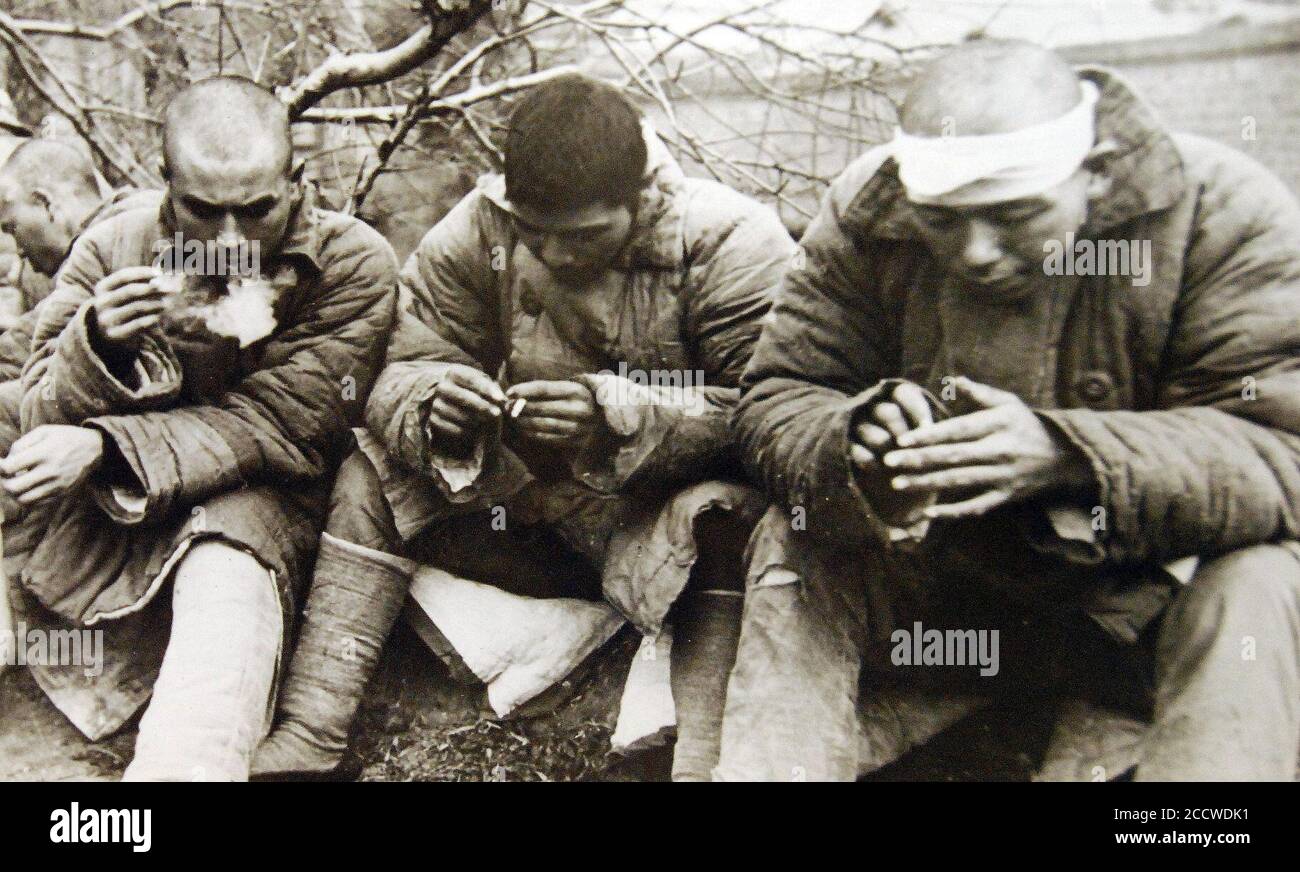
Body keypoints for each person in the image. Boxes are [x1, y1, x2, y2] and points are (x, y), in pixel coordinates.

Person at [720, 39, 1300, 781]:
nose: (976, 251)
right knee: (793, 537)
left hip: (1137, 604)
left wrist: (1068, 455)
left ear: (1094, 171)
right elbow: (778, 390)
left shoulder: (1217, 210)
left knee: (1259, 580)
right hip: (951, 593)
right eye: (942, 221)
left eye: (1014, 215)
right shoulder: (875, 208)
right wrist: (853, 445)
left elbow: (1281, 448)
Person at [253, 74, 794, 781]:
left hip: (660, 533)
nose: (557, 256)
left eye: (584, 236)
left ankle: (701, 764)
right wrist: (436, 404)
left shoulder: (729, 243)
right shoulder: (484, 226)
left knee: (722, 518)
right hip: (532, 517)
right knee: (371, 478)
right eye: (536, 234)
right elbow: (401, 357)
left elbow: (772, 413)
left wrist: (620, 417)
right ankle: (311, 733)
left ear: (639, 194)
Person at [0, 75, 397, 781]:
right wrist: (97, 347)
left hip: (260, 524)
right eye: (203, 211)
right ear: (166, 185)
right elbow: (32, 409)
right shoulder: (112, 247)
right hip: (109, 527)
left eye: (257, 210)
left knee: (209, 674)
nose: (230, 240)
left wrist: (102, 444)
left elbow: (280, 425)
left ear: (296, 180)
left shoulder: (352, 263)